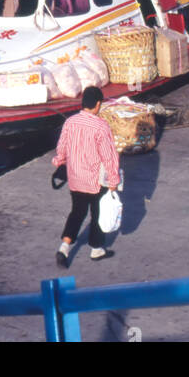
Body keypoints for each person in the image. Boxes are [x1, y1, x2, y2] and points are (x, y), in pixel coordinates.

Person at [53, 86, 121, 266]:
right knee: (97, 213)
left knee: (77, 212)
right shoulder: (101, 126)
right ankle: (97, 249)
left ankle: (64, 247)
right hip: (95, 180)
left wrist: (59, 161)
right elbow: (109, 156)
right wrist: (113, 180)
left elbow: (62, 148)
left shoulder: (70, 122)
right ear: (98, 104)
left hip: (75, 178)